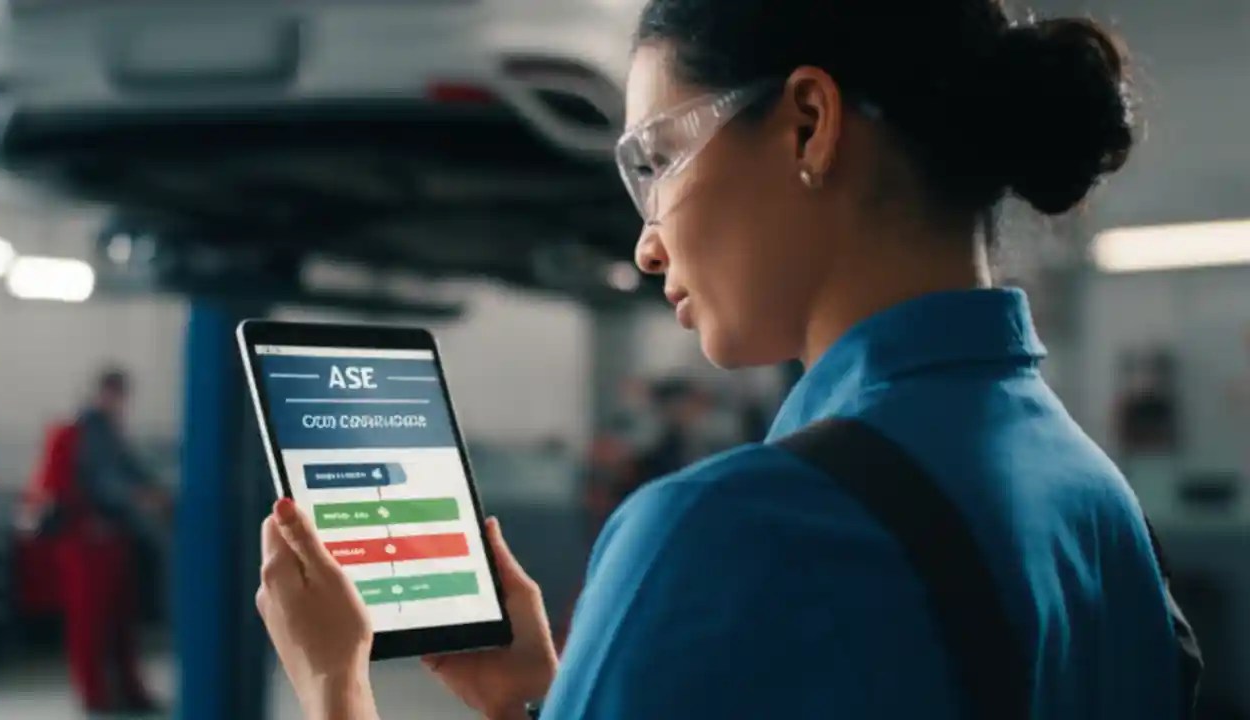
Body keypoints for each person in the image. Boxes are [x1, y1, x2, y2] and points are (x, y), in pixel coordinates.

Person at [255, 0, 1189, 717]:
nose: (646, 244)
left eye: (657, 160)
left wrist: (334, 684)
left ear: (808, 124)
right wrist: (543, 698)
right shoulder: (1094, 501)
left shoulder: (725, 532)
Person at [56, 368, 169, 716]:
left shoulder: (110, 430)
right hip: (88, 540)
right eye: (114, 394)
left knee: (122, 620)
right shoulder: (87, 430)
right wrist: (140, 497)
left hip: (114, 540)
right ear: (102, 392)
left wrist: (155, 490)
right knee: (90, 624)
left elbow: (133, 470)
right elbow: (103, 483)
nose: (119, 402)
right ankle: (96, 695)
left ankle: (128, 689)